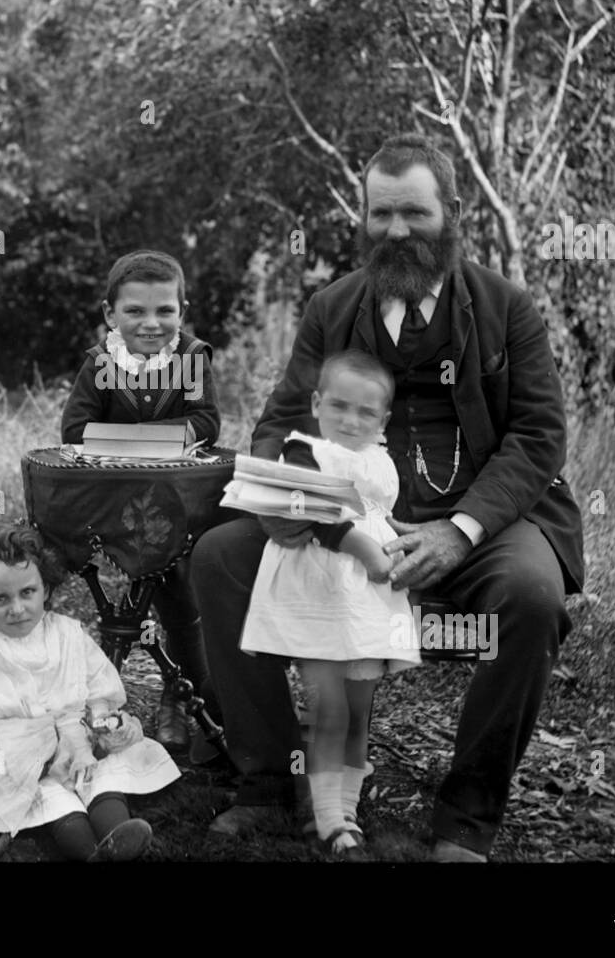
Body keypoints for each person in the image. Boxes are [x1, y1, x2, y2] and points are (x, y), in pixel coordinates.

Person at [192, 133, 584, 862]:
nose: (396, 231)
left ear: (452, 213)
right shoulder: (332, 306)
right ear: (362, 217)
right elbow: (280, 422)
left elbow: (537, 436)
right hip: (344, 520)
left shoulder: (508, 308)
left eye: (414, 213)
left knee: (531, 598)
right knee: (221, 558)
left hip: (481, 525)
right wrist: (290, 503)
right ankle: (270, 785)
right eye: (380, 215)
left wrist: (459, 531)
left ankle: (467, 814)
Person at [239, 350, 419, 860]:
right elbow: (305, 512)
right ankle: (327, 818)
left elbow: (379, 510)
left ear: (383, 420)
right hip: (317, 587)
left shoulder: (380, 458)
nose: (351, 420)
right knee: (330, 707)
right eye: (338, 406)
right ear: (317, 404)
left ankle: (348, 807)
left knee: (359, 709)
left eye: (366, 413)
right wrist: (359, 543)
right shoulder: (303, 450)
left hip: (368, 596)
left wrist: (385, 545)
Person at [0, 523, 180, 862]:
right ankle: (90, 854)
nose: (17, 609)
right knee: (52, 798)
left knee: (102, 777)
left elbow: (99, 686)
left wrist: (100, 722)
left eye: (27, 593)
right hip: (25, 760)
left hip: (80, 743)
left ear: (46, 589)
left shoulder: (67, 634)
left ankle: (118, 838)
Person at [59, 250, 219, 752]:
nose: (151, 324)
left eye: (164, 312)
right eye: (135, 312)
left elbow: (207, 423)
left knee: (179, 579)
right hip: (117, 499)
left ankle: (188, 694)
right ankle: (95, 704)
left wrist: (141, 438)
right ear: (111, 315)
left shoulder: (191, 358)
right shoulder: (100, 363)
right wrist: (138, 443)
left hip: (178, 498)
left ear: (182, 310)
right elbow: (74, 431)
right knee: (142, 572)